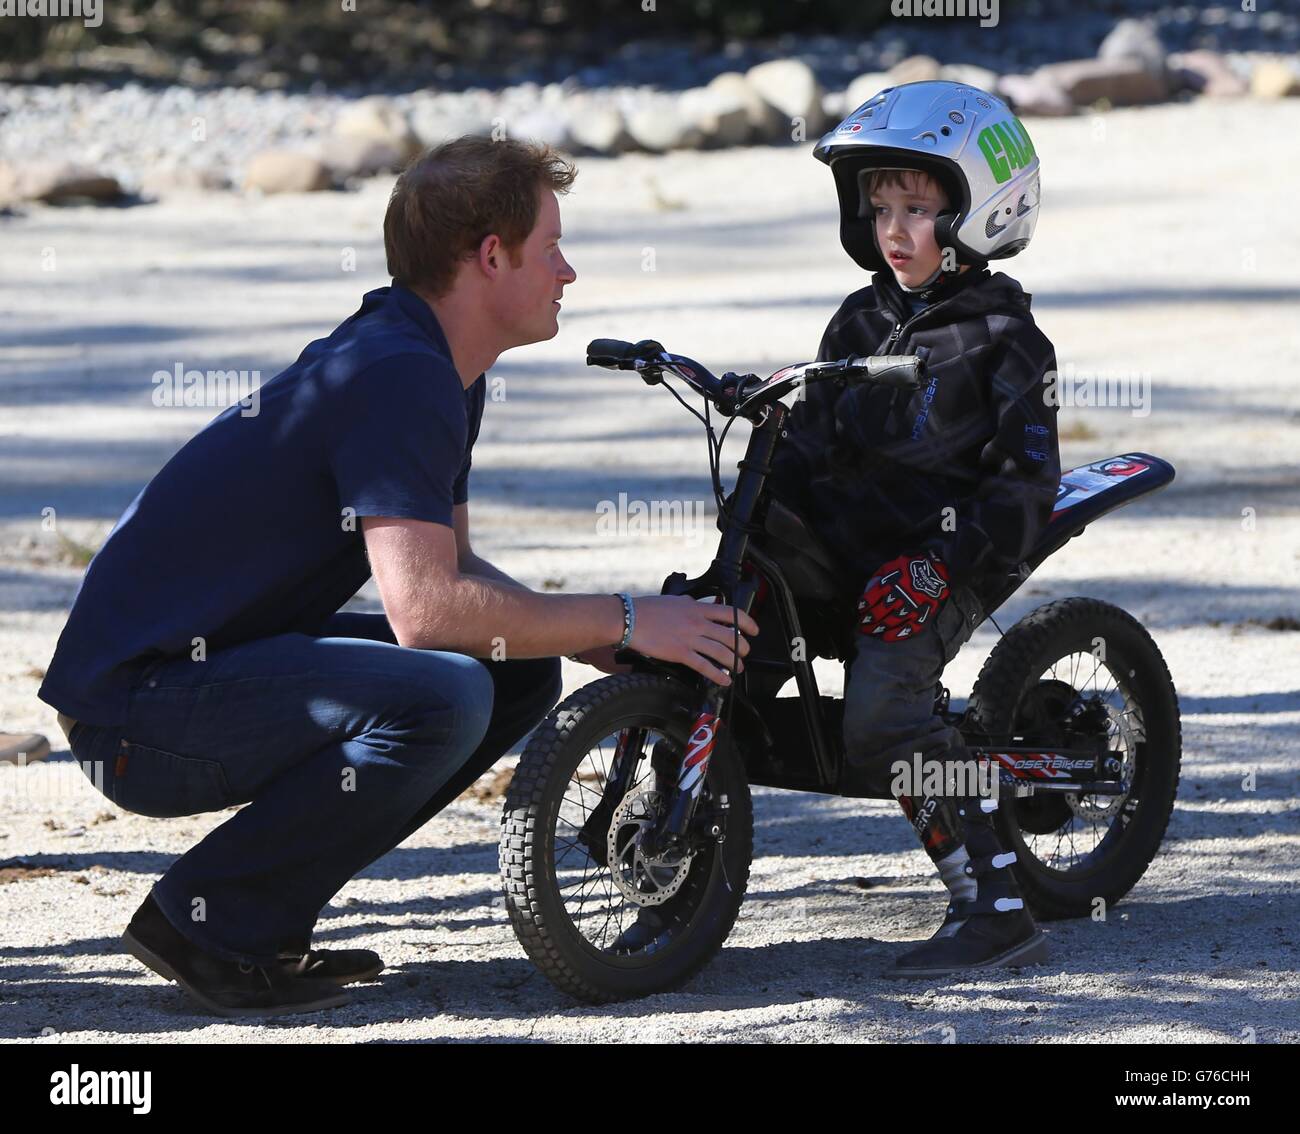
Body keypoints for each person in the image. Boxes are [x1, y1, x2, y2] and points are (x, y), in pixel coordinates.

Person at [36, 136, 758, 1018]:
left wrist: (595, 631)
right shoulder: (402, 376)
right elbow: (425, 611)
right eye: (552, 248)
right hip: (133, 715)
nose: (569, 273)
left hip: (180, 679)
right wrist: (621, 616)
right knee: (445, 692)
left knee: (510, 670)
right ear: (491, 256)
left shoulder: (440, 368)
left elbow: (450, 572)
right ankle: (210, 924)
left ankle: (248, 922)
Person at [765, 81, 1062, 978]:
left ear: (980, 210)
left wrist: (938, 566)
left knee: (887, 713)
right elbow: (811, 442)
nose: (894, 229)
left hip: (952, 554)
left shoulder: (1009, 337)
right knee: (738, 601)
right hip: (857, 544)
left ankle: (996, 904)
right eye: (880, 206)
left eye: (919, 208)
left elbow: (1025, 488)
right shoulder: (859, 317)